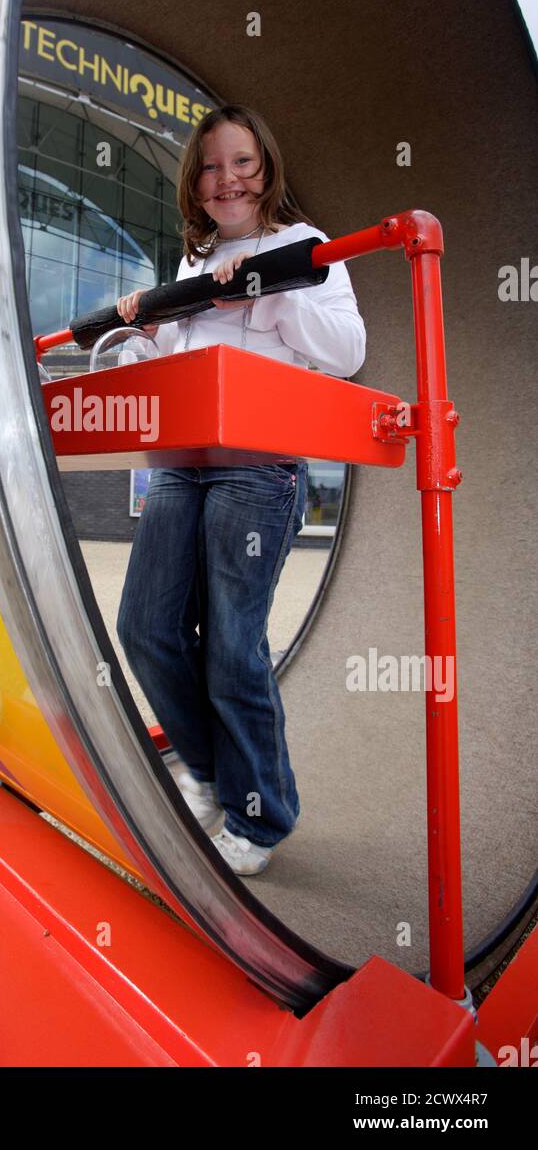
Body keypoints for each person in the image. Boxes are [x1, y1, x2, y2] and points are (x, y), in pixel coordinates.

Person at [114, 104, 366, 876]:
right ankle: (211, 773)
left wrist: (266, 293)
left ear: (266, 172)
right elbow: (177, 360)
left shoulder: (304, 247)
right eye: (212, 166)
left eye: (243, 164)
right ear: (196, 181)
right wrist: (149, 331)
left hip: (257, 466)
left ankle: (260, 816)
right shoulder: (191, 265)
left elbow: (349, 352)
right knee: (146, 627)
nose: (227, 179)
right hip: (179, 461)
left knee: (231, 644)